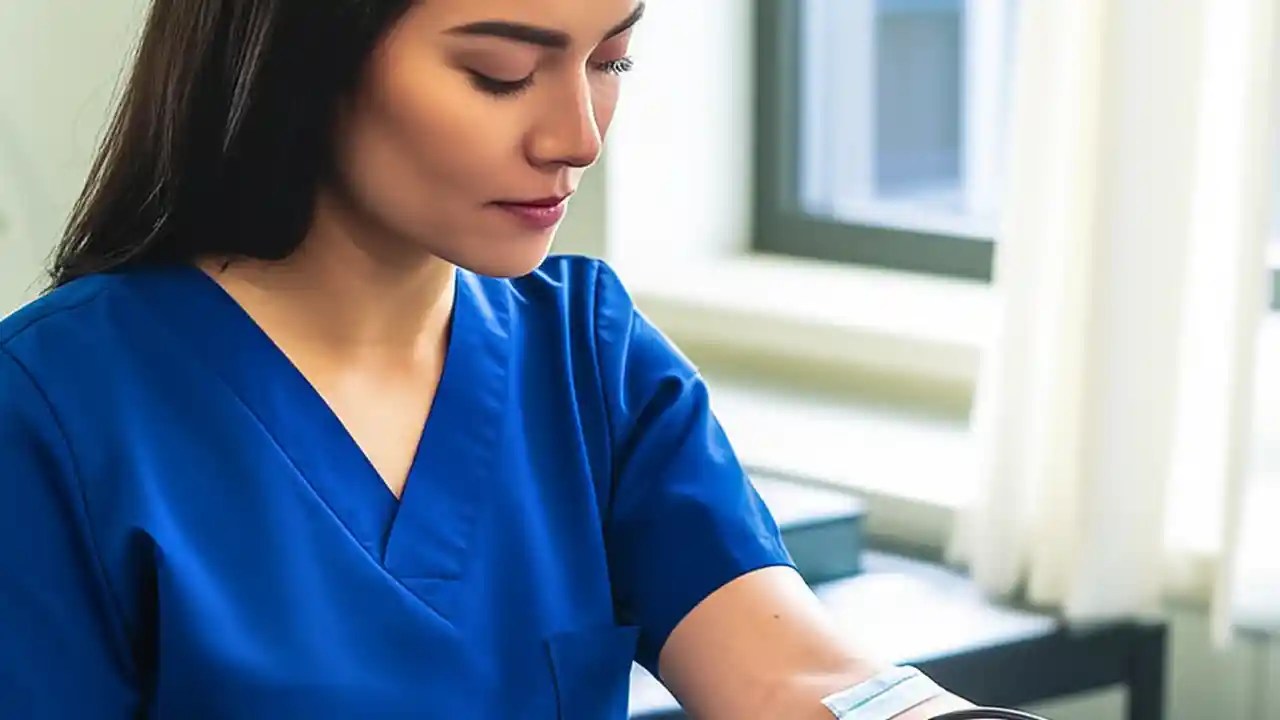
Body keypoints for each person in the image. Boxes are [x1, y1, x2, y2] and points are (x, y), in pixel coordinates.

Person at [0, 1, 974, 717]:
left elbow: (797, 674)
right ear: (304, 56)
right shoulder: (54, 410)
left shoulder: (590, 358)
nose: (576, 138)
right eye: (501, 72)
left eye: (612, 62)